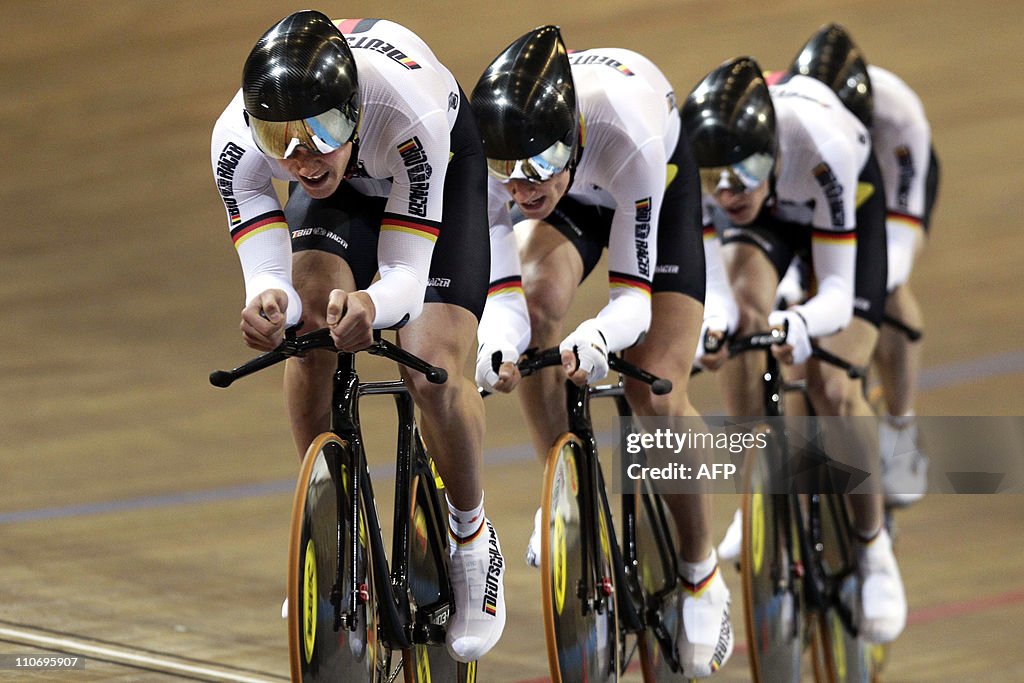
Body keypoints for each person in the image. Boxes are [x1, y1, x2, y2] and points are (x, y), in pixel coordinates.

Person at [210, 10, 504, 662]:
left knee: (431, 362)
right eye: (279, 137)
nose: (301, 154)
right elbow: (268, 276)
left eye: (321, 130)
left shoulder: (409, 111)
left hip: (435, 174)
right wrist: (269, 303)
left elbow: (405, 273)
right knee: (310, 325)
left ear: (352, 108)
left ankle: (472, 537)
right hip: (349, 192)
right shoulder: (237, 143)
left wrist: (372, 302)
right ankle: (330, 528)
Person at [470, 26, 735, 677]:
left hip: (651, 187)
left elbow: (635, 301)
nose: (522, 189)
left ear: (573, 137)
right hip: (578, 192)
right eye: (509, 173)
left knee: (656, 386)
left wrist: (597, 337)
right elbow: (501, 289)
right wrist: (497, 340)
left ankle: (702, 572)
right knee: (535, 312)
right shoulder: (498, 160)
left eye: (536, 168)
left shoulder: (629, 135)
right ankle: (563, 490)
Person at [681, 56, 907, 643]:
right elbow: (713, 286)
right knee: (741, 327)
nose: (728, 191)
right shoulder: (708, 167)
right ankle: (755, 497)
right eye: (715, 179)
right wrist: (716, 326)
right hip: (774, 215)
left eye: (744, 172)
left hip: (844, 205)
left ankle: (873, 545)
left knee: (833, 385)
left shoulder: (822, 145)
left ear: (773, 148)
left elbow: (834, 290)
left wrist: (802, 323)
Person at [787, 23, 938, 506]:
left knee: (889, 290)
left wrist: (865, 282)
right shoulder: (786, 115)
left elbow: (899, 234)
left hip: (889, 189)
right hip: (814, 178)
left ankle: (900, 425)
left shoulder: (901, 116)